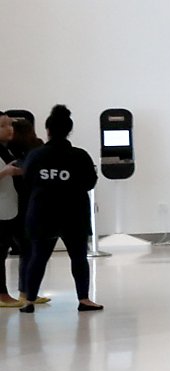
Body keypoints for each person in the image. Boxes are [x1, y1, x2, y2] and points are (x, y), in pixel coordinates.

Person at [17, 106, 100, 315]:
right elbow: (90, 182)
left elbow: (26, 182)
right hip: (74, 214)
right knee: (79, 258)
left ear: (48, 130)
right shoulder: (80, 156)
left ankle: (28, 301)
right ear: (69, 130)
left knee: (38, 257)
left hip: (42, 213)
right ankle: (84, 299)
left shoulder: (36, 155)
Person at [0, 110, 28, 307]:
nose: (9, 129)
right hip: (2, 211)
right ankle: (2, 294)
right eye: (3, 126)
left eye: (10, 124)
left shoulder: (7, 149)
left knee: (26, 247)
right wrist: (6, 172)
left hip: (12, 208)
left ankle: (26, 291)